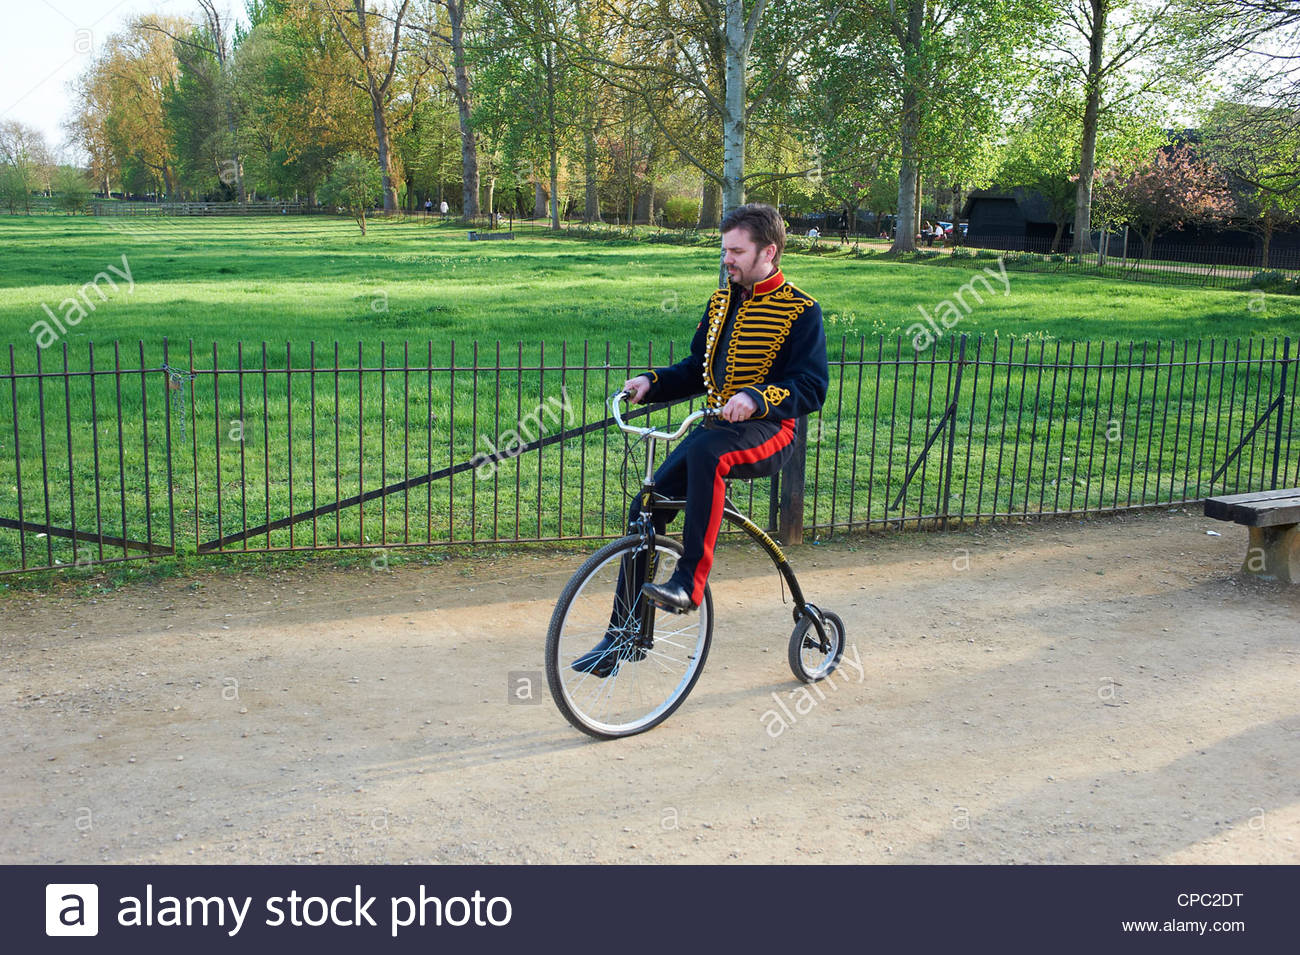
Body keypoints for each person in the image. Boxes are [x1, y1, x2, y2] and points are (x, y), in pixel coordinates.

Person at [573, 203, 829, 677]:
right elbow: (697, 371)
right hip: (718, 428)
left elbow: (812, 387)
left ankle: (689, 584)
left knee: (710, 454)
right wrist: (652, 382)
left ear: (768, 251)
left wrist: (756, 397)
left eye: (736, 251)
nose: (727, 259)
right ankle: (623, 636)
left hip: (772, 431)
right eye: (724, 249)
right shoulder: (719, 303)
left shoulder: (801, 310)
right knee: (647, 508)